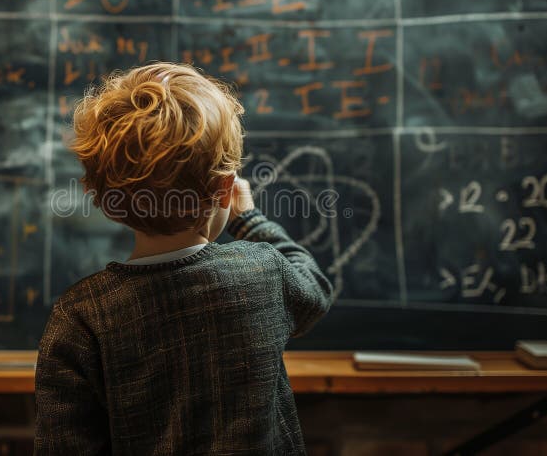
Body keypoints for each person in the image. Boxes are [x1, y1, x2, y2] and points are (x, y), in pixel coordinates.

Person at [35, 62, 333, 455]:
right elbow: (314, 288)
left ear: (104, 202)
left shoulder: (81, 316)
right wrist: (249, 218)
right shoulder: (261, 273)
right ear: (225, 189)